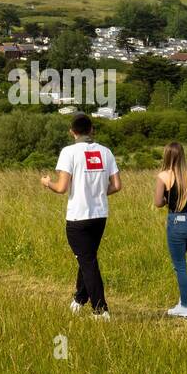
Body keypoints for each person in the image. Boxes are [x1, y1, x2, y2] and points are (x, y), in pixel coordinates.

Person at [40, 113, 121, 319]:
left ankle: (101, 311)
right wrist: (100, 192)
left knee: (87, 261)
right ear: (92, 130)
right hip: (100, 216)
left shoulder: (69, 152)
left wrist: (47, 182)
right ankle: (79, 299)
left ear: (72, 131)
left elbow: (61, 188)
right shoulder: (106, 152)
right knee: (87, 258)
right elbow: (117, 185)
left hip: (78, 217)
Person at [153, 142, 187, 318]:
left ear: (167, 156)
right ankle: (184, 300)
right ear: (183, 155)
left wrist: (170, 199)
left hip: (177, 222)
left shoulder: (163, 176)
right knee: (179, 263)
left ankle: (184, 306)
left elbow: (158, 202)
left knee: (180, 266)